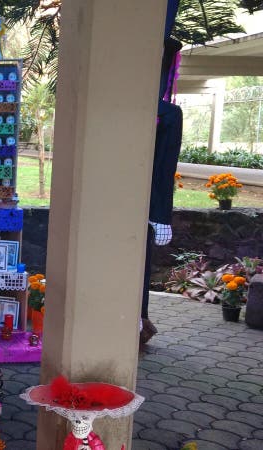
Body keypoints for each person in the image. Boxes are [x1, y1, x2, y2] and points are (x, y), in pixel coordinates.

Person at [141, 0, 183, 344]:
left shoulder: (167, 115)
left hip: (145, 196)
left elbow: (163, 165)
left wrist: (160, 213)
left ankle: (137, 323)